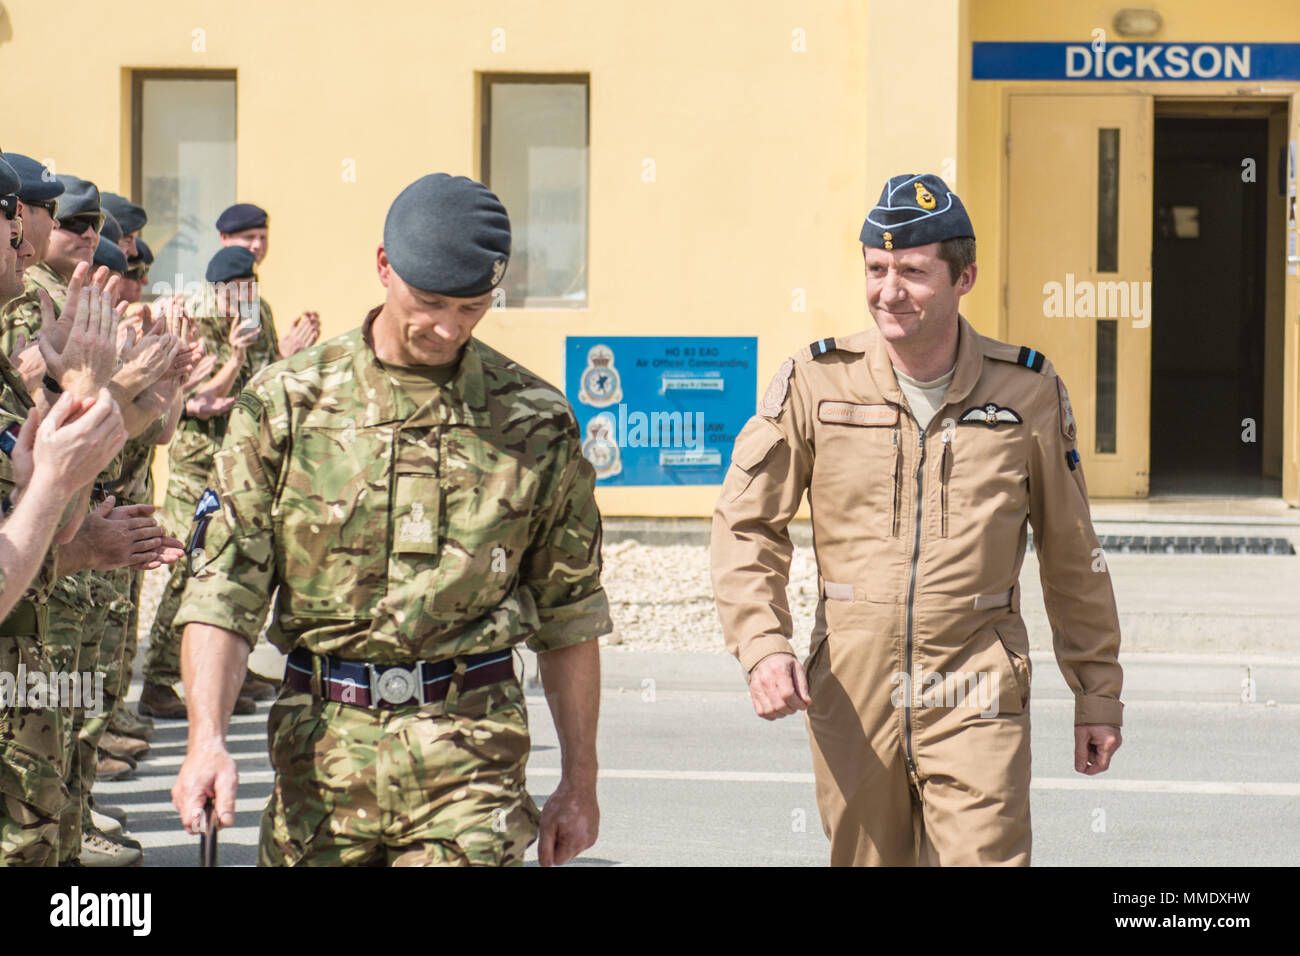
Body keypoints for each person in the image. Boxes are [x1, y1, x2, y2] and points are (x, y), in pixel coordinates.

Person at [171, 173, 611, 867]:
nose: (447, 327)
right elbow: (224, 591)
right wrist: (206, 742)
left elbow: (570, 615)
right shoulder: (288, 404)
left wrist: (579, 784)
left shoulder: (535, 420)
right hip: (318, 762)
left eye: (472, 307)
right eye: (428, 301)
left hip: (472, 762)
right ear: (384, 266)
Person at [710, 173, 1124, 866]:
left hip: (977, 684)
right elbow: (747, 525)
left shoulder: (1027, 391)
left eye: (912, 271)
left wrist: (1097, 694)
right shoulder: (816, 383)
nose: (888, 291)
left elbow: (1071, 552)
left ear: (965, 279)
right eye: (876, 269)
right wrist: (763, 643)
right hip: (851, 688)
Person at [140, 246, 279, 718]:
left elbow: (273, 374)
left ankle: (221, 675)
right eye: (228, 293)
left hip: (241, 462)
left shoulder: (260, 314)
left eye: (244, 292)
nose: (236, 302)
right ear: (214, 290)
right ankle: (158, 681)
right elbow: (196, 394)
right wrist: (235, 361)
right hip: (196, 466)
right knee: (187, 563)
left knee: (233, 566)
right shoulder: (194, 318)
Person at [216, 202, 320, 359]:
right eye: (249, 237)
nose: (258, 245)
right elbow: (215, 382)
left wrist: (292, 347)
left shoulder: (261, 307)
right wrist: (282, 356)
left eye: (263, 237)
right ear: (224, 238)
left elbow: (264, 373)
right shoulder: (207, 306)